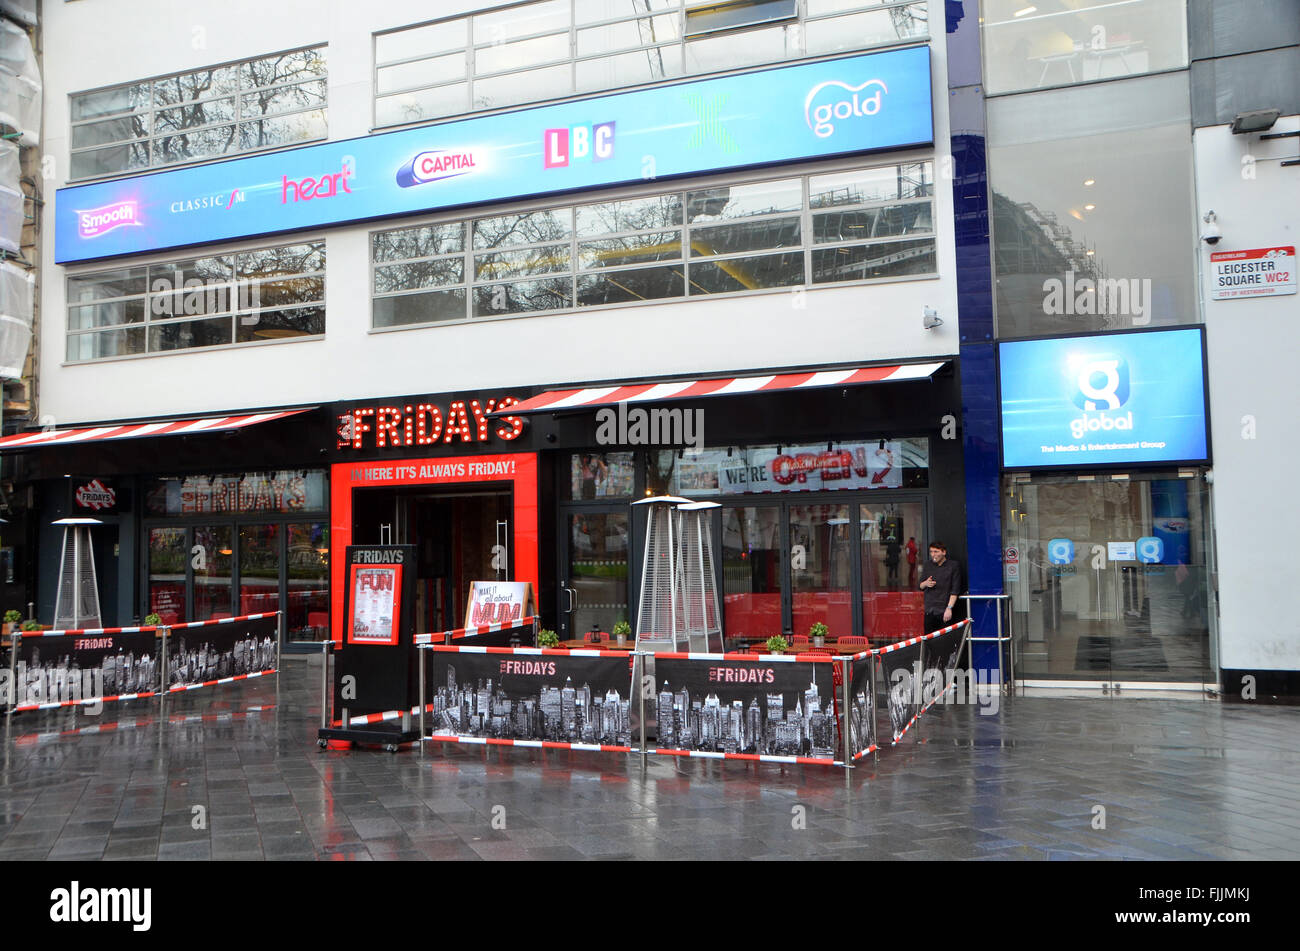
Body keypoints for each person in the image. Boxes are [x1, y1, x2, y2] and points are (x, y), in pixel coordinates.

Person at [919, 541, 962, 635]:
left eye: (936, 551)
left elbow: (955, 590)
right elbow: (920, 586)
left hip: (944, 609)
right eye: (931, 552)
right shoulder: (927, 565)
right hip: (929, 610)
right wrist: (926, 583)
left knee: (944, 640)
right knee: (929, 639)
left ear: (944, 552)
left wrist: (949, 608)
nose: (933, 554)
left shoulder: (953, 566)